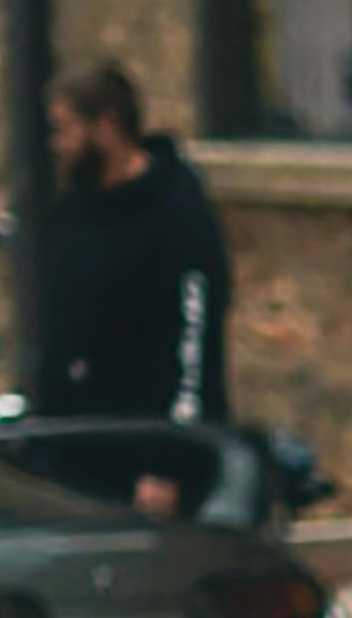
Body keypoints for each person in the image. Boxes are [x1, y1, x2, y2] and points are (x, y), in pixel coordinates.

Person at [38, 61, 235, 511]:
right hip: (74, 455)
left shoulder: (177, 215)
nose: (58, 146)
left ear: (106, 126)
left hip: (145, 459)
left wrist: (169, 462)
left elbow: (194, 348)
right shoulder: (75, 212)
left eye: (66, 130)